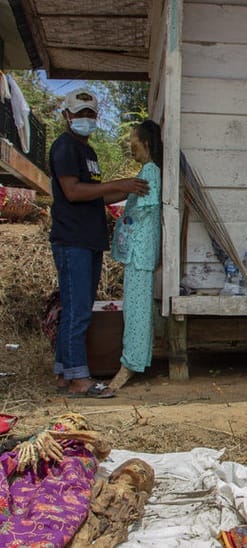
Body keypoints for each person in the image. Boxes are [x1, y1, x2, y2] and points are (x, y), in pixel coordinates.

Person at [49, 88, 148, 398]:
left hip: (88, 239)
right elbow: (73, 192)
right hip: (72, 239)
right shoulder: (65, 147)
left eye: (90, 114)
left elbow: (98, 195)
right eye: (80, 114)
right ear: (67, 116)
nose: (85, 120)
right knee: (78, 309)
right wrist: (120, 183)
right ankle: (80, 379)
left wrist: (131, 190)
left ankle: (64, 373)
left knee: (77, 308)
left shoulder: (87, 152)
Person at [107, 120, 163, 394]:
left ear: (147, 144)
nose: (131, 146)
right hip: (137, 253)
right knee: (136, 309)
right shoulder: (145, 172)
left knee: (136, 311)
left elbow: (142, 211)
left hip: (141, 254)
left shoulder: (151, 172)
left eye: (134, 142)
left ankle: (129, 366)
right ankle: (134, 360)